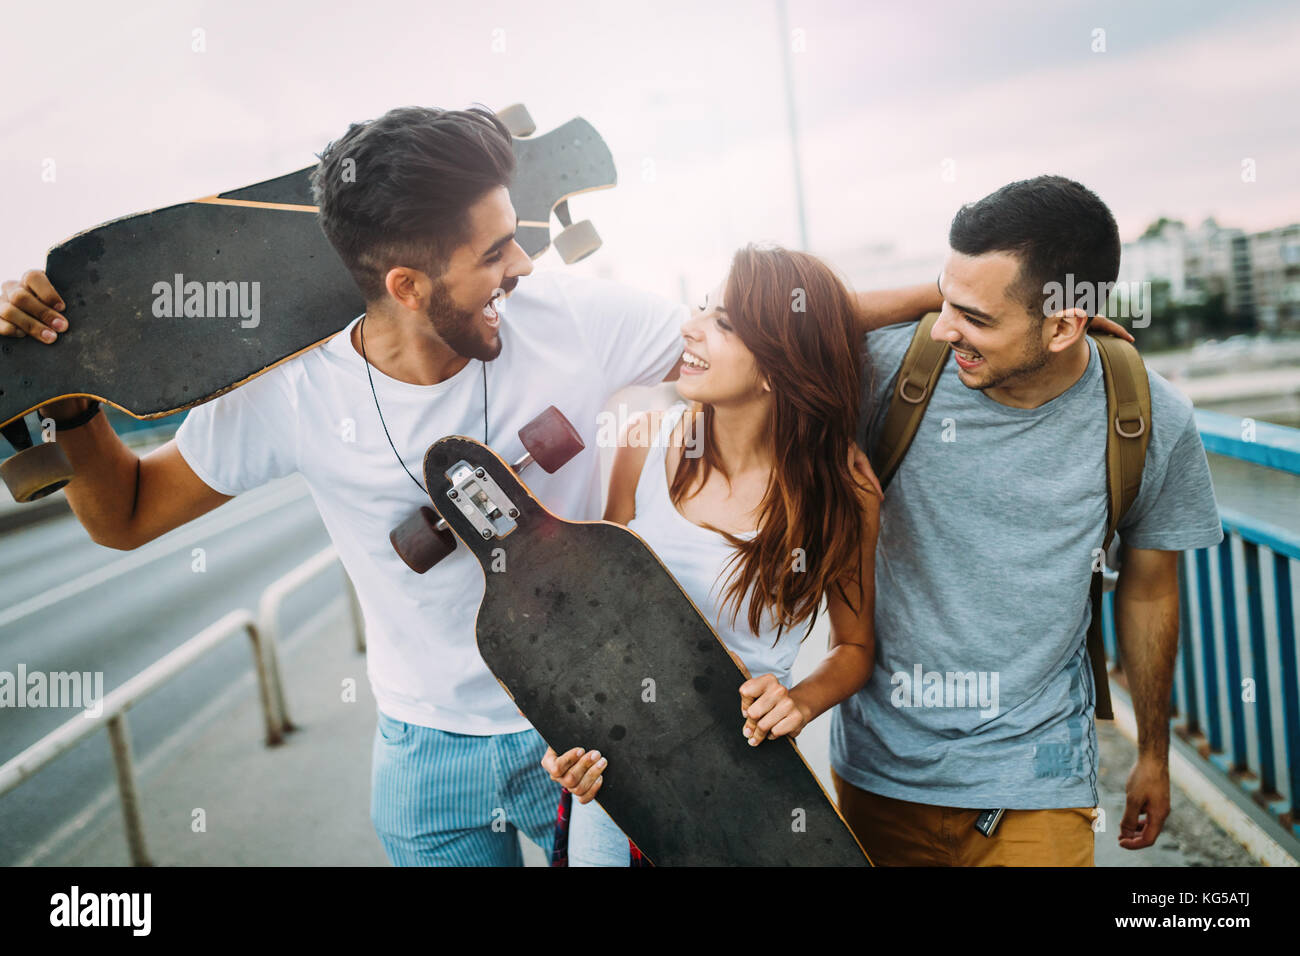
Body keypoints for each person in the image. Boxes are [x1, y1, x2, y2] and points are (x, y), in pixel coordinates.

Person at [0, 105, 942, 866]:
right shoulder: (294, 392)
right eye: (494, 254)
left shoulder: (575, 318)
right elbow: (124, 515)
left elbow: (786, 324)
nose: (524, 266)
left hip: (599, 725)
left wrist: (962, 305)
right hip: (428, 756)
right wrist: (71, 390)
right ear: (408, 285)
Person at [829, 175, 1223, 866]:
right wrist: (946, 298)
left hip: (1040, 778)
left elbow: (1152, 587)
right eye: (945, 301)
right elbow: (762, 323)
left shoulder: (1148, 417)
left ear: (1067, 323)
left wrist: (1154, 755)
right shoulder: (891, 371)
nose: (949, 329)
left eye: (976, 317)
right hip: (881, 772)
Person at [542, 244, 880, 866]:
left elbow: (854, 648)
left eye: (724, 322)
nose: (689, 328)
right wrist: (564, 739)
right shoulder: (645, 441)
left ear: (778, 368)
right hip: (617, 773)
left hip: (739, 782)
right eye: (702, 308)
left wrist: (799, 702)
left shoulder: (844, 491)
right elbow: (587, 627)